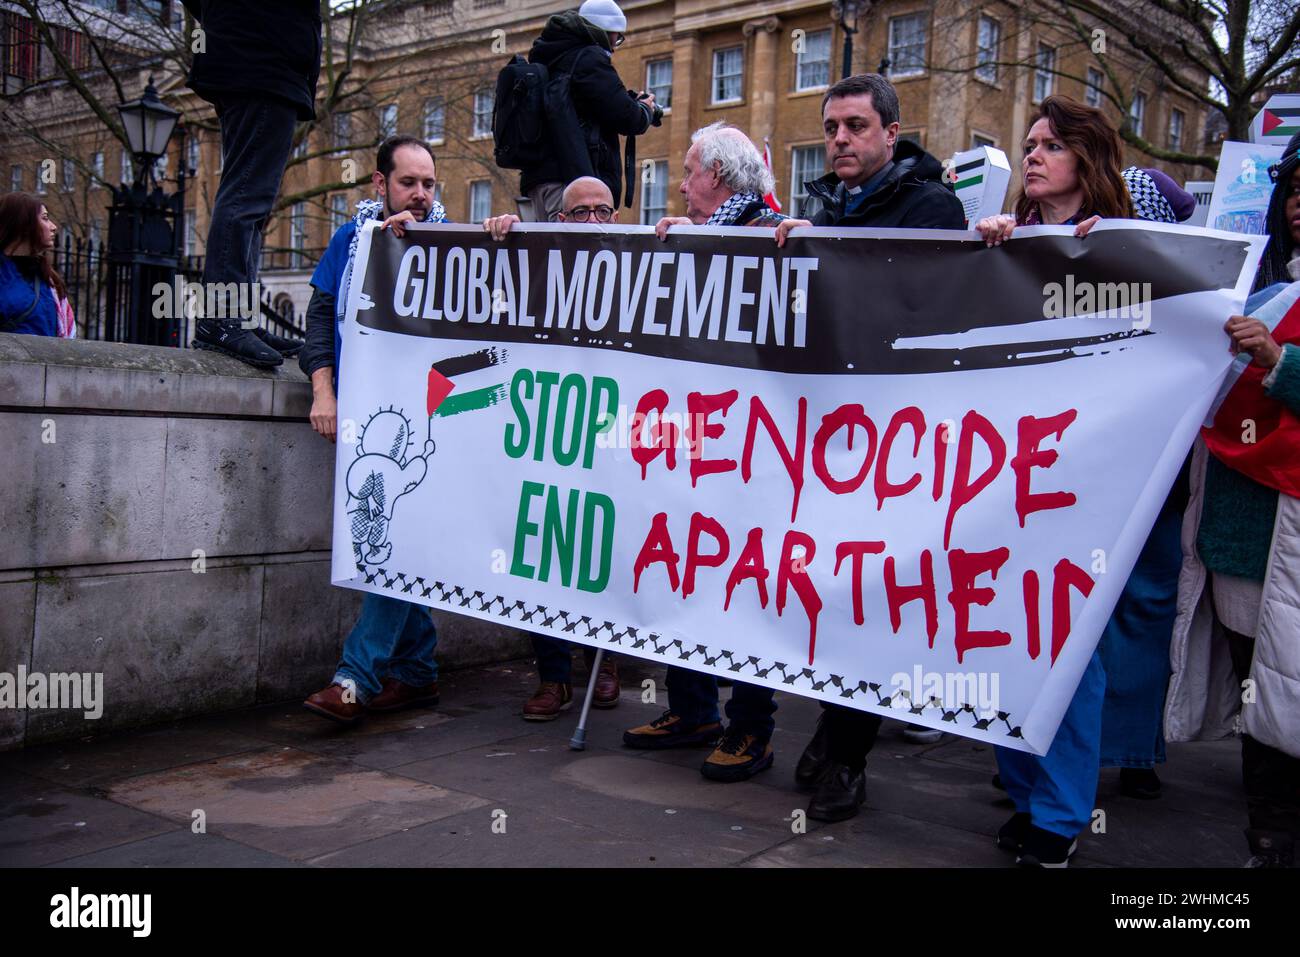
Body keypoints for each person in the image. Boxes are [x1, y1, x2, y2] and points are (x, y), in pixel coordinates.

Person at [772, 74, 965, 823]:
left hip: (899, 440)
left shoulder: (930, 206)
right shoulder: (823, 202)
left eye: (855, 126)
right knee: (830, 592)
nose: (840, 140)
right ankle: (832, 723)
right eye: (831, 128)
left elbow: (919, 305)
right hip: (830, 438)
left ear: (891, 132)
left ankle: (848, 756)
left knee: (872, 599)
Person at [973, 94, 1133, 866]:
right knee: (1001, 638)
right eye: (1029, 143)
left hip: (1083, 485)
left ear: (1088, 158)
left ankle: (1063, 814)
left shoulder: (1131, 248)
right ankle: (1026, 788)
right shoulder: (1005, 242)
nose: (1032, 155)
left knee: (1067, 638)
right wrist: (993, 252)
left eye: (1050, 145)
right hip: (994, 483)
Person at [617, 122, 787, 782]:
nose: (682, 184)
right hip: (693, 442)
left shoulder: (771, 233)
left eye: (688, 172)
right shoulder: (708, 235)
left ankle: (751, 726)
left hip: (752, 451)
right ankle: (694, 708)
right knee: (682, 568)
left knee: (744, 584)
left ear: (717, 175)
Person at [1165, 130, 1300, 867]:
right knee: (1264, 703)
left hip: (1287, 535)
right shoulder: (1270, 288)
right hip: (1239, 536)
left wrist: (1281, 360)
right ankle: (1269, 841)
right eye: (1298, 189)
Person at [298, 135, 449, 724]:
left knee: (391, 547)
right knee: (393, 543)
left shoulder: (453, 246)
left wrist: (502, 233)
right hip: (362, 421)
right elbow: (318, 318)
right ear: (379, 185)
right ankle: (417, 672)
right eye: (408, 181)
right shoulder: (352, 240)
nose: (419, 194)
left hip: (418, 424)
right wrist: (324, 390)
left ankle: (355, 677)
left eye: (429, 183)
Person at [483, 176, 624, 721]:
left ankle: (605, 663)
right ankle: (554, 676)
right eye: (579, 212)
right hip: (547, 433)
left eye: (602, 211)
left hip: (609, 436)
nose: (592, 221)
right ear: (559, 221)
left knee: (604, 549)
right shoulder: (537, 260)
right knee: (540, 552)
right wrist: (503, 235)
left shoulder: (639, 266)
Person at [1095, 167, 1197, 801]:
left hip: (1156, 478)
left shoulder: (1185, 293)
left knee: (1143, 605)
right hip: (1099, 473)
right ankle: (1094, 754)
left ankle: (1133, 751)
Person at [181, 0, 321, 368]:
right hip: (262, 66)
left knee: (251, 203)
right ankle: (220, 318)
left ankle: (238, 317)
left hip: (252, 64)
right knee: (246, 197)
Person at [518, 0, 660, 222]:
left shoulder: (551, 55)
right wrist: (644, 109)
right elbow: (627, 117)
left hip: (538, 181)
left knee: (547, 253)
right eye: (616, 36)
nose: (615, 45)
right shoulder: (588, 58)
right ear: (604, 32)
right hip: (571, 178)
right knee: (573, 252)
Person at [0, 193, 76, 337]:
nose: (53, 227)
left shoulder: (49, 279)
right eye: (45, 219)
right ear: (23, 224)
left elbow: (66, 334)